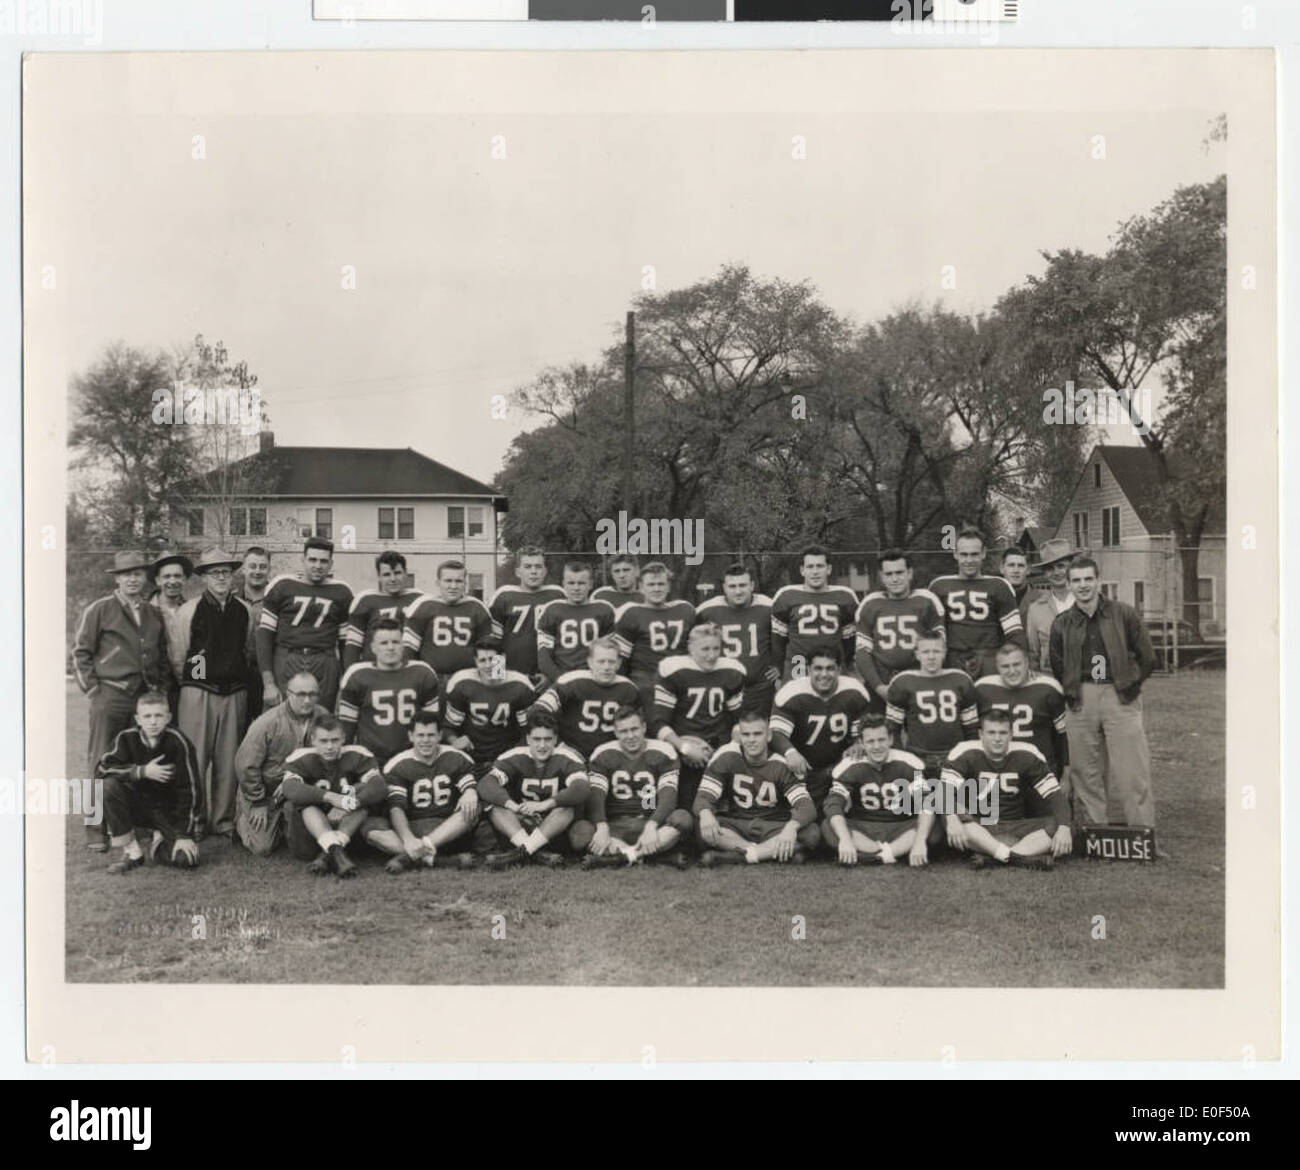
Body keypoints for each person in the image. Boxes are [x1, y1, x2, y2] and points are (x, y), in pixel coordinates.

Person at [72, 550, 175, 850]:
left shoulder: (154, 613)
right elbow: (81, 653)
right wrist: (93, 691)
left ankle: (133, 821)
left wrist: (161, 690)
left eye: (138, 573)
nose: (132, 579)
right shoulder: (99, 609)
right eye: (126, 574)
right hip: (111, 694)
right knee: (101, 759)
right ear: (117, 578)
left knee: (139, 759)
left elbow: (163, 657)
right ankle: (95, 826)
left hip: (144, 697)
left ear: (145, 578)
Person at [1049, 556, 1158, 831]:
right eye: (1077, 580)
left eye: (1088, 579)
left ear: (1098, 580)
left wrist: (1129, 687)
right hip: (1081, 698)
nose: (1083, 585)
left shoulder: (1124, 613)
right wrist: (1073, 691)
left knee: (1132, 770)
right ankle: (1095, 833)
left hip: (1118, 694)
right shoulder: (1062, 623)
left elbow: (1147, 658)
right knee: (1085, 771)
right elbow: (1057, 664)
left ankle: (1142, 833)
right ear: (1069, 584)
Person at [172, 547, 253, 839]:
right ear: (204, 577)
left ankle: (222, 820)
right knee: (194, 758)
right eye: (215, 572)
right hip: (198, 691)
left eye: (227, 572)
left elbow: (248, 649)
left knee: (228, 760)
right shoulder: (189, 610)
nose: (221, 577)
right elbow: (180, 655)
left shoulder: (244, 611)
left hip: (234, 692)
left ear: (233, 576)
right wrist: (196, 681)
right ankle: (195, 818)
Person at [360, 712, 495, 872]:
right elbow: (396, 808)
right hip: (414, 827)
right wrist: (408, 838)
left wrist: (470, 792)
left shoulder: (455, 757)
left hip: (449, 827)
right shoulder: (397, 765)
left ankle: (413, 855)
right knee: (370, 828)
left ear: (439, 735)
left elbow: (468, 786)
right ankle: (439, 860)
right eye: (420, 735)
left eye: (431, 735)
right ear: (411, 736)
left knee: (474, 806)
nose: (425, 740)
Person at [939, 709, 1073, 869]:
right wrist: (952, 819)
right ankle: (1017, 857)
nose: (997, 739)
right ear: (981, 734)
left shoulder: (1027, 753)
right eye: (991, 732)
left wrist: (1064, 827)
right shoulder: (964, 752)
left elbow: (1055, 796)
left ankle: (995, 858)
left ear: (1011, 735)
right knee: (950, 815)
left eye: (1003, 733)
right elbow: (943, 792)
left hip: (1016, 825)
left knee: (1062, 823)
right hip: (980, 826)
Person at [692, 711, 821, 866]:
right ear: (739, 737)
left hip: (772, 826)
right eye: (746, 735)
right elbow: (703, 797)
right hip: (738, 824)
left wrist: (791, 828)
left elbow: (807, 807)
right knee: (701, 825)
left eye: (757, 734)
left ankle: (738, 856)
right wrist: (706, 814)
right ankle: (767, 853)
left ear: (768, 736)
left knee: (811, 833)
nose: (751, 740)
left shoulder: (782, 764)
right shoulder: (726, 756)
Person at [94, 690, 201, 874]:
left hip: (169, 812)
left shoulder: (179, 742)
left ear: (168, 717)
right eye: (147, 716)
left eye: (158, 715)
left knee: (186, 860)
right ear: (138, 719)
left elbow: (191, 790)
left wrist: (184, 834)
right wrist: (141, 771)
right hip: (139, 806)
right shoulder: (126, 738)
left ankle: (159, 840)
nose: (153, 721)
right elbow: (102, 770)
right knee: (108, 786)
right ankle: (132, 852)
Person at [576, 705, 691, 869]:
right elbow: (596, 797)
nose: (630, 736)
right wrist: (602, 827)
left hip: (649, 822)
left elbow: (668, 797)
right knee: (579, 832)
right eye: (623, 731)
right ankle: (650, 857)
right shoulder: (603, 753)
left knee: (683, 819)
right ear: (615, 733)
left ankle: (622, 857)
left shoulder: (663, 751)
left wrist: (651, 826)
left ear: (644, 727)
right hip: (614, 826)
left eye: (634, 729)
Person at [651, 623, 747, 815]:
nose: (711, 655)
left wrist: (728, 749)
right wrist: (685, 748)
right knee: (684, 808)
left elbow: (740, 720)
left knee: (721, 808)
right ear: (690, 648)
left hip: (716, 745)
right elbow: (657, 723)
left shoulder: (733, 671)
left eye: (716, 648)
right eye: (705, 649)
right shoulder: (673, 670)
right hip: (681, 747)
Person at [477, 711, 591, 868]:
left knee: (567, 808)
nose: (542, 745)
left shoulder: (568, 757)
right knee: (493, 805)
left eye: (548, 739)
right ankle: (534, 853)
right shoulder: (514, 756)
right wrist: (511, 805)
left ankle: (521, 853)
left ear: (556, 739)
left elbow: (582, 788)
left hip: (554, 827)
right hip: (521, 825)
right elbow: (486, 783)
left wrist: (545, 804)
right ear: (528, 739)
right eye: (537, 739)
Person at [233, 671, 329, 855]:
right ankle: (241, 817)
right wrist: (258, 801)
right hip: (266, 791)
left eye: (312, 694)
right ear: (288, 693)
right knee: (262, 848)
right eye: (301, 694)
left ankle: (287, 820)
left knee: (309, 843)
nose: (307, 700)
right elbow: (245, 765)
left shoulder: (323, 717)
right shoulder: (267, 723)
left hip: (300, 788)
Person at [278, 714, 384, 878]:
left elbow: (379, 787)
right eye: (323, 741)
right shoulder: (301, 757)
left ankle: (331, 852)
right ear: (313, 740)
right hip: (309, 836)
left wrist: (350, 803)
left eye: (335, 740)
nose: (329, 747)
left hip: (346, 827)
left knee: (362, 794)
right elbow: (289, 788)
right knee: (304, 804)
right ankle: (336, 852)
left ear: (343, 738)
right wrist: (331, 797)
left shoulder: (358, 754)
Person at [768, 649, 874, 812]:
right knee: (805, 815)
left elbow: (865, 730)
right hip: (804, 768)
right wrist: (790, 752)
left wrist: (858, 743)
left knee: (864, 759)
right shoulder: (792, 692)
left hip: (839, 763)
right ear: (808, 669)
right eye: (818, 668)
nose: (824, 674)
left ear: (839, 670)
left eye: (830, 668)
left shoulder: (854, 691)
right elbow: (776, 733)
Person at [822, 715, 937, 866]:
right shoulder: (850, 765)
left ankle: (876, 856)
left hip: (900, 826)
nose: (876, 746)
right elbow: (833, 804)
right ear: (861, 743)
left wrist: (920, 840)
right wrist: (845, 839)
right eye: (870, 741)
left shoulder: (909, 762)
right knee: (828, 826)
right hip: (864, 826)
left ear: (890, 740)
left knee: (934, 827)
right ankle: (892, 852)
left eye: (881, 740)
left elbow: (926, 803)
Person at [256, 537, 354, 711]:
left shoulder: (342, 592)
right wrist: (268, 683)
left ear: (331, 564)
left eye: (324, 561)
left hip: (324, 661)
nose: (318, 565)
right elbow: (265, 635)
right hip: (287, 657)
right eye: (312, 560)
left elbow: (345, 643)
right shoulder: (282, 585)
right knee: (281, 719)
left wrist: (345, 682)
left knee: (321, 720)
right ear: (302, 560)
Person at [974, 642, 1069, 814]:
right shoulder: (983, 688)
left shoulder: (1048, 687)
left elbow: (1063, 736)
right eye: (1005, 666)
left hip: (1039, 772)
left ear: (1027, 663)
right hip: (999, 774)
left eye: (1016, 664)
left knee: (1048, 825)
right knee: (996, 825)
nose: (1012, 671)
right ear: (997, 667)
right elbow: (974, 734)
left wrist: (1066, 774)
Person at [337, 618, 440, 767]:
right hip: (371, 759)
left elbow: (432, 724)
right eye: (384, 643)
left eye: (395, 642)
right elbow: (347, 728)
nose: (391, 647)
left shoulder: (422, 673)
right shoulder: (357, 675)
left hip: (412, 758)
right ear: (373, 647)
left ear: (403, 645)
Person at [928, 527, 1026, 679]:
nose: (969, 560)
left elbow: (1014, 634)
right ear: (955, 554)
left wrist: (1015, 666)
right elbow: (931, 635)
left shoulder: (999, 586)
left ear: (984, 553)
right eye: (964, 554)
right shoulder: (938, 586)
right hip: (952, 660)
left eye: (974, 554)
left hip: (989, 660)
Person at [853, 548, 945, 709]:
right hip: (881, 680)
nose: (895, 579)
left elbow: (939, 647)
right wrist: (879, 687)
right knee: (876, 731)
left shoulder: (927, 600)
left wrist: (927, 679)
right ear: (882, 577)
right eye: (889, 574)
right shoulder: (870, 603)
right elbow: (862, 652)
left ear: (910, 573)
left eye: (899, 572)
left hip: (919, 679)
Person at [885, 632, 979, 781]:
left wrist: (967, 757)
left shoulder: (961, 679)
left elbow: (971, 729)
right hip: (918, 755)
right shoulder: (902, 682)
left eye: (936, 651)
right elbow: (892, 729)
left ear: (944, 653)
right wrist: (903, 759)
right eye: (926, 651)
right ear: (917, 654)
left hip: (954, 755)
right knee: (917, 802)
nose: (931, 656)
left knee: (956, 803)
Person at [529, 636, 642, 761]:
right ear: (590, 662)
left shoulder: (628, 689)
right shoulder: (571, 682)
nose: (606, 667)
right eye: (601, 661)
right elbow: (537, 711)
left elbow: (637, 728)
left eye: (611, 661)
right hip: (570, 754)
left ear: (619, 663)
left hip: (610, 757)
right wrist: (560, 744)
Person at [612, 562, 697, 715]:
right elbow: (621, 661)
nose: (656, 589)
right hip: (646, 684)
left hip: (682, 683)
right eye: (651, 584)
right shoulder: (631, 613)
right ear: (641, 587)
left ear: (669, 586)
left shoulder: (685, 610)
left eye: (661, 584)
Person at [696, 563, 779, 718]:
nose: (738, 591)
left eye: (743, 585)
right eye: (732, 586)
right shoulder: (707, 610)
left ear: (752, 585)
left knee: (759, 733)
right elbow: (691, 642)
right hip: (723, 687)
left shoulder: (769, 607)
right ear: (724, 587)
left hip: (760, 688)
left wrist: (779, 665)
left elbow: (789, 639)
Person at [442, 642, 537, 774]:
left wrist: (512, 757)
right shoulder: (462, 683)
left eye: (493, 659)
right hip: (471, 757)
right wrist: (455, 740)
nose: (488, 665)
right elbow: (448, 727)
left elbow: (528, 731)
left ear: (502, 658)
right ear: (475, 661)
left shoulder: (520, 685)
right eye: (482, 660)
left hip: (507, 758)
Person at [770, 545, 857, 679]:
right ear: (802, 570)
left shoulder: (845, 596)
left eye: (820, 566)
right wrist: (778, 667)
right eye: (810, 567)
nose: (815, 572)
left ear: (828, 569)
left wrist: (845, 662)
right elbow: (778, 640)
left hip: (832, 665)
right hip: (798, 665)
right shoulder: (786, 596)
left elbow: (849, 642)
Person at [402, 559, 494, 677]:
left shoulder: (477, 607)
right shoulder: (422, 606)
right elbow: (408, 651)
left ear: (465, 584)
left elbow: (493, 650)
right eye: (448, 581)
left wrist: (497, 681)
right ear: (438, 582)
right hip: (431, 679)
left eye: (458, 581)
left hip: (468, 681)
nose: (453, 586)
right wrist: (412, 681)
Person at [487, 547, 564, 681]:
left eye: (538, 567)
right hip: (512, 674)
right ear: (518, 572)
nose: (533, 571)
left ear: (545, 571)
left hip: (548, 676)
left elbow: (563, 641)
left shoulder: (558, 595)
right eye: (527, 567)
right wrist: (497, 675)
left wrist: (551, 675)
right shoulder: (504, 596)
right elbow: (493, 641)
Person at [535, 561, 616, 683]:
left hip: (594, 680)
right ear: (563, 584)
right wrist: (561, 680)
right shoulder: (552, 610)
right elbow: (544, 657)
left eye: (581, 583)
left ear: (590, 584)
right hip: (560, 678)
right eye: (571, 583)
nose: (576, 588)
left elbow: (610, 653)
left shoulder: (604, 610)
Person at [342, 550, 421, 671]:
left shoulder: (419, 599)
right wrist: (351, 673)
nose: (393, 579)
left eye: (398, 573)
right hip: (373, 670)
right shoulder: (365, 600)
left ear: (406, 573)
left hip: (408, 671)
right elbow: (353, 645)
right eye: (387, 574)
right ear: (378, 576)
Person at [1023, 538, 1075, 673]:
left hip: (1086, 684)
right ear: (1044, 573)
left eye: (1061, 566)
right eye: (1050, 568)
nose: (1056, 572)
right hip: (1052, 682)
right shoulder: (1036, 609)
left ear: (1072, 566)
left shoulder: (1087, 602)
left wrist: (1099, 683)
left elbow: (1101, 651)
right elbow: (1033, 655)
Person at [237, 546, 272, 733]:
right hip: (237, 677)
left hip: (268, 675)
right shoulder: (230, 599)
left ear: (269, 570)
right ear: (243, 569)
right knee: (237, 731)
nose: (257, 571)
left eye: (262, 567)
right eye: (252, 566)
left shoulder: (277, 601)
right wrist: (198, 676)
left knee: (266, 730)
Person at [150, 550, 195, 686]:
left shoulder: (194, 611)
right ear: (158, 580)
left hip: (188, 685)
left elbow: (200, 652)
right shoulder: (145, 612)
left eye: (177, 576)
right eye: (167, 576)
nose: (173, 581)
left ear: (185, 579)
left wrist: (198, 683)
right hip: (157, 685)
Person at [1001, 546, 1035, 614]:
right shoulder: (992, 599)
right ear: (1001, 568)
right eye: (1011, 565)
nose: (1016, 570)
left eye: (1021, 565)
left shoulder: (1040, 599)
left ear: (1028, 569)